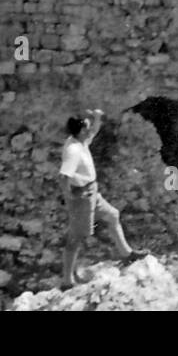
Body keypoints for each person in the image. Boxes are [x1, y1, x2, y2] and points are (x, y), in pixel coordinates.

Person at [59, 108, 142, 288]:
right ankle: (67, 281)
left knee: (112, 215)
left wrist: (96, 117)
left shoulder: (80, 141)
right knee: (76, 238)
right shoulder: (73, 150)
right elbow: (64, 176)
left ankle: (127, 254)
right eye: (87, 127)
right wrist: (70, 197)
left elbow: (94, 131)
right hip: (82, 195)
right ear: (81, 131)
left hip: (92, 192)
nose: (90, 130)